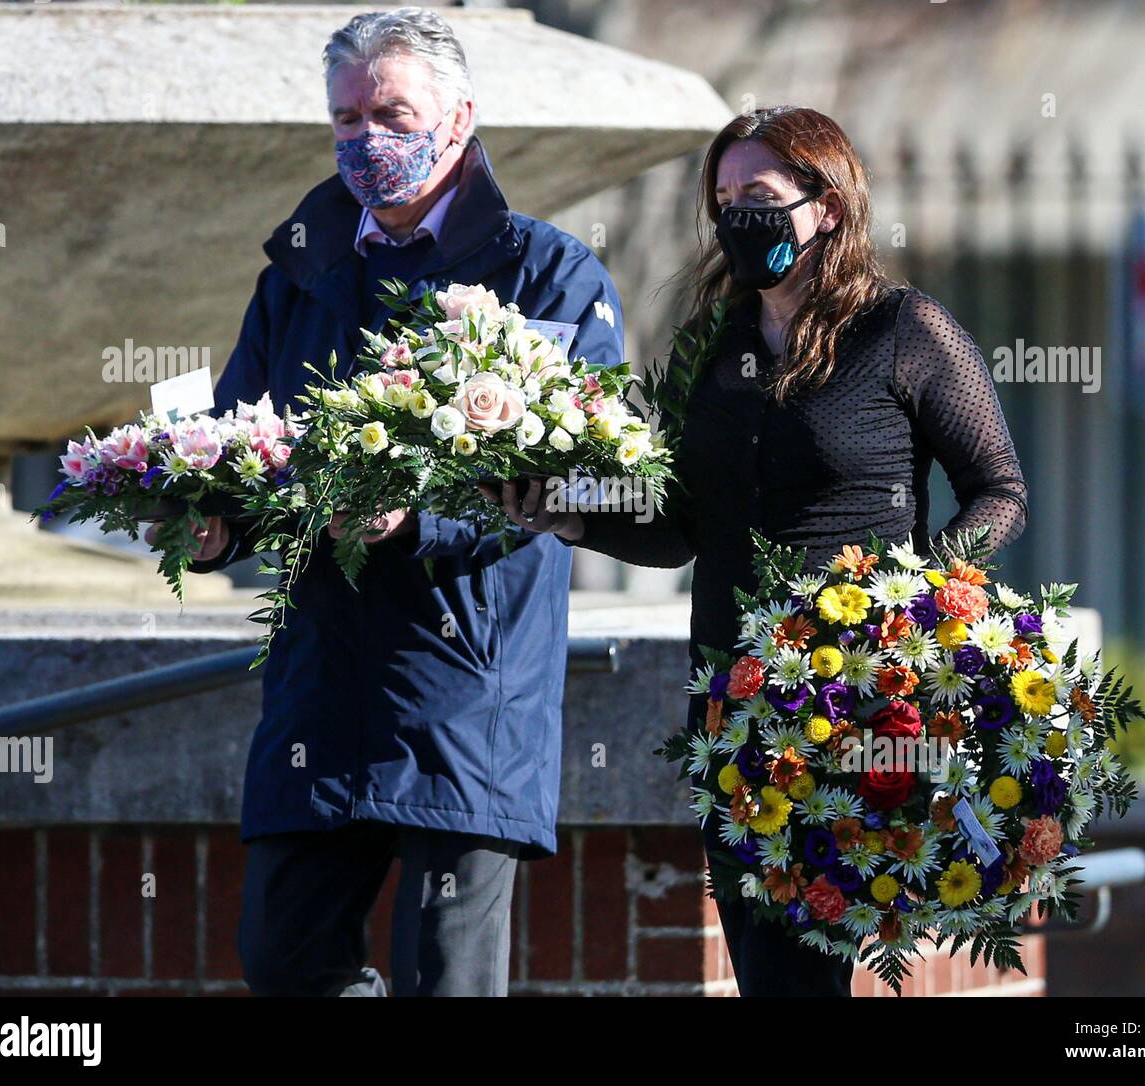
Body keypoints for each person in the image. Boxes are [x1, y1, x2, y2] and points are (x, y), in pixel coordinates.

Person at [486, 106, 1029, 996]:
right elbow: (683, 528)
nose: (739, 215)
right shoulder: (712, 343)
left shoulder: (904, 331)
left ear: (828, 204)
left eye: (763, 196)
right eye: (726, 197)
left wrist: (918, 595)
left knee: (809, 970)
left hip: (860, 696)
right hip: (732, 700)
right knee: (764, 970)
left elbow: (999, 491)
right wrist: (571, 517)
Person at [154, 8, 624, 997]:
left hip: (465, 683)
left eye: (390, 113)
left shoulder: (546, 272)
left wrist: (422, 522)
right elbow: (246, 440)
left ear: (457, 119)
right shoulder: (299, 273)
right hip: (320, 679)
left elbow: (580, 472)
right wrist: (214, 523)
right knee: (283, 958)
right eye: (344, 118)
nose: (364, 138)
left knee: (446, 978)